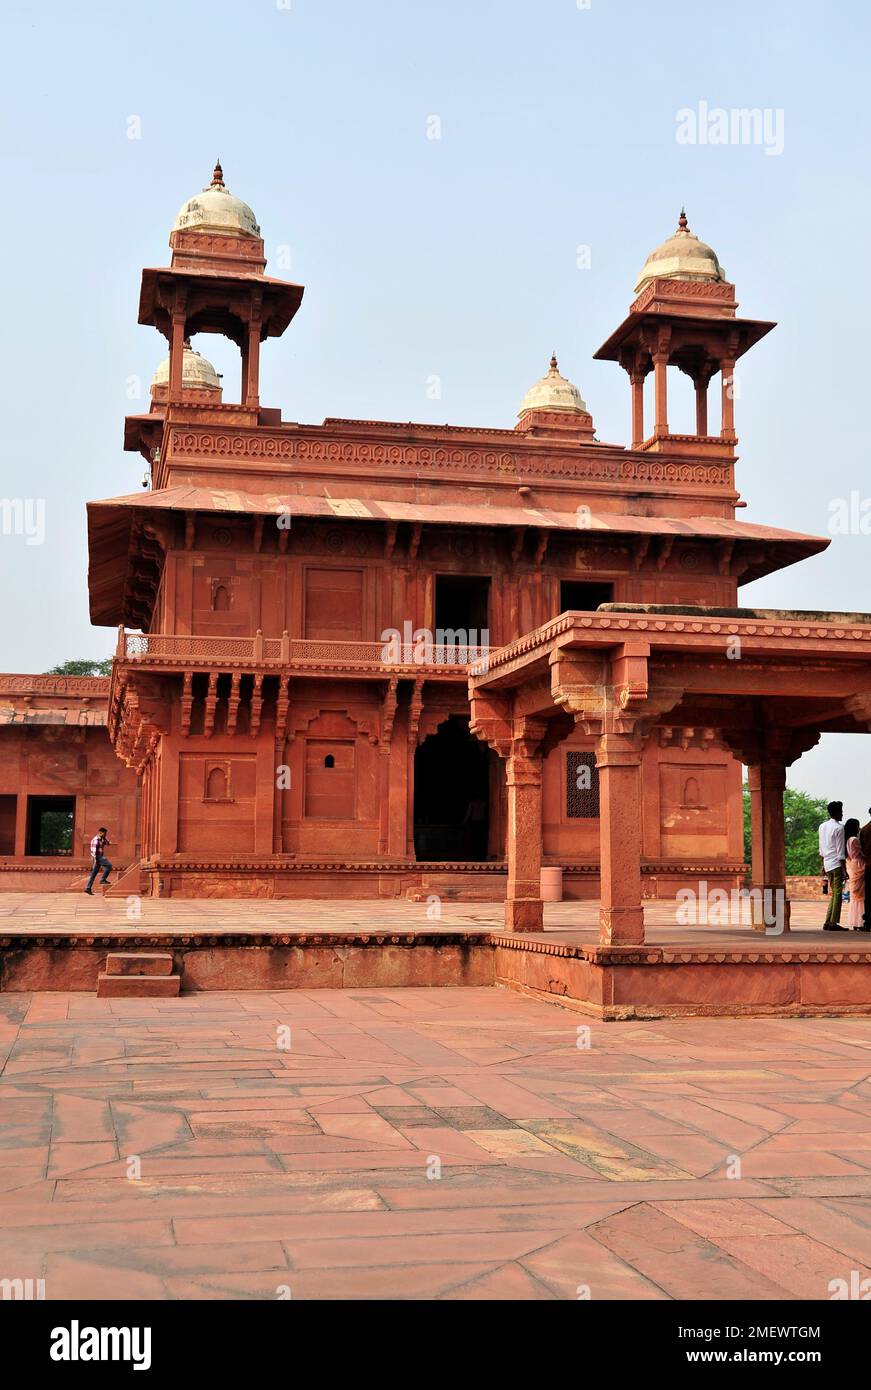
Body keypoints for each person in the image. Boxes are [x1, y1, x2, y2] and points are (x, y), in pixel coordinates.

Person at [818, 801, 847, 931]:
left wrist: (822, 865)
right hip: (836, 864)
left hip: (827, 863)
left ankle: (828, 921)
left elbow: (821, 849)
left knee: (834, 894)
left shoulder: (822, 826)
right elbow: (840, 852)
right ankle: (833, 923)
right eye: (841, 811)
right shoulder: (839, 828)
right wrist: (844, 869)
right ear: (836, 813)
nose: (842, 814)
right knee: (838, 894)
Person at [844, 818, 867, 930]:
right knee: (861, 895)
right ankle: (861, 921)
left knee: (855, 896)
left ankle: (855, 921)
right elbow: (861, 853)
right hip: (858, 864)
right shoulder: (854, 840)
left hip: (851, 865)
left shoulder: (847, 840)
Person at [84, 827, 112, 895]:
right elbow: (93, 852)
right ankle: (103, 879)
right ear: (100, 833)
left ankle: (88, 888)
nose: (105, 835)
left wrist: (106, 840)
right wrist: (95, 860)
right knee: (109, 865)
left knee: (93, 874)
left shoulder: (102, 839)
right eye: (105, 833)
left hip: (99, 857)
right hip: (97, 857)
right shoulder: (95, 840)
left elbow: (107, 843)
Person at [861, 808, 871, 929]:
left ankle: (868, 921)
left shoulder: (864, 829)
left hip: (868, 865)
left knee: (868, 895)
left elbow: (862, 848)